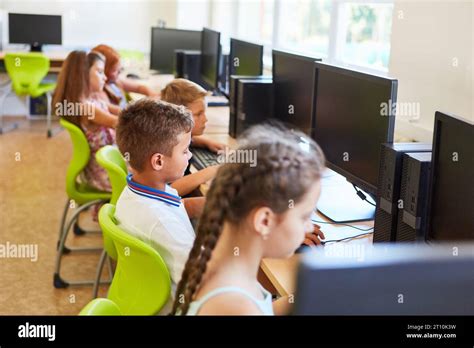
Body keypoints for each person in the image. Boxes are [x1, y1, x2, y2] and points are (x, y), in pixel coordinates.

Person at [171, 124, 326, 315]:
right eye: (304, 217)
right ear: (264, 221)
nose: (309, 226)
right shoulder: (232, 305)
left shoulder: (226, 266)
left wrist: (302, 298)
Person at [114, 99, 205, 314]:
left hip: (150, 298)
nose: (190, 155)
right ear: (158, 161)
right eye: (185, 151)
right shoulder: (162, 224)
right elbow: (205, 285)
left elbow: (176, 208)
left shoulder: (134, 191)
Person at [92, 44, 160, 108]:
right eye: (115, 70)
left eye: (119, 69)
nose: (119, 72)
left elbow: (139, 88)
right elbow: (115, 114)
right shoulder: (100, 94)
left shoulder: (116, 82)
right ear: (103, 70)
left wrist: (152, 94)